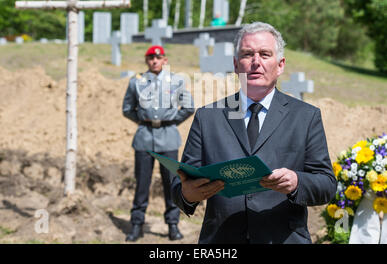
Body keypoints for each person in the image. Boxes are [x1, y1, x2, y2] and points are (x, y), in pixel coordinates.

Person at [171, 22, 337, 244]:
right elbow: (181, 184)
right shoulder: (208, 117)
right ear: (236, 65)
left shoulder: (306, 117)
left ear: (280, 65)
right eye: (247, 54)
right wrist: (187, 194)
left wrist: (297, 181)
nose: (256, 62)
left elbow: (326, 184)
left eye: (265, 54)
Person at [122, 45, 194, 242]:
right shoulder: (136, 82)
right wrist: (144, 121)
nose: (154, 61)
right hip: (144, 136)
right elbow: (127, 108)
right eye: (151, 58)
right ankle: (137, 224)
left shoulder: (177, 81)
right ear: (146, 60)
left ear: (165, 60)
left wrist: (170, 123)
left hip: (168, 137)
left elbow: (189, 106)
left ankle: (173, 225)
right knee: (142, 184)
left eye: (158, 57)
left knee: (171, 183)